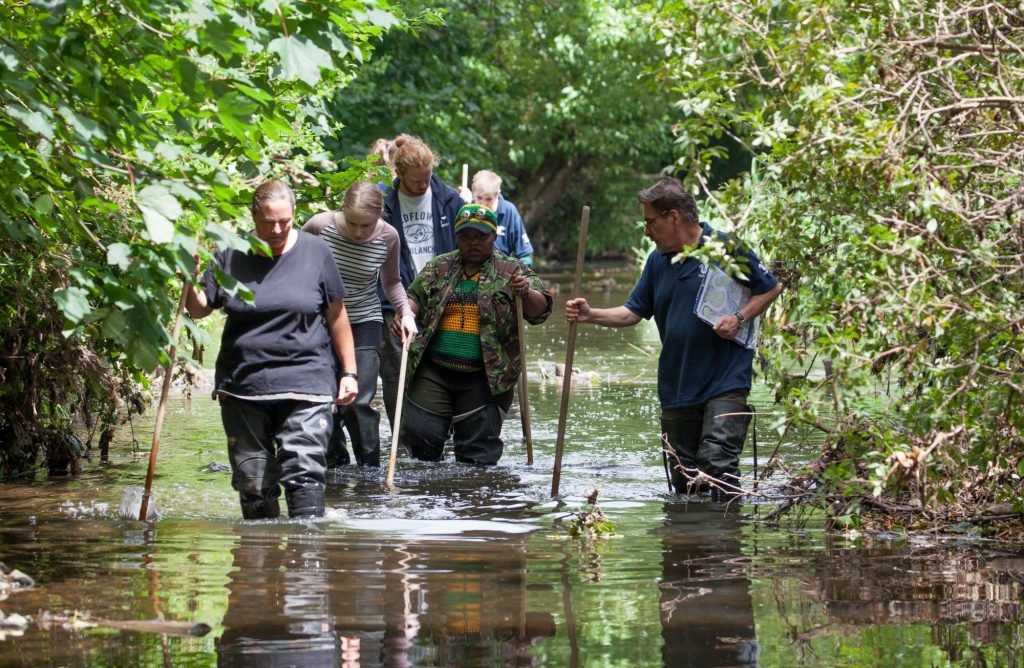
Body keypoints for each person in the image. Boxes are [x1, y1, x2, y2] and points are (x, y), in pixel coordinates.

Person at [566, 176, 781, 499]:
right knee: (684, 482)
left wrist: (739, 318)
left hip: (725, 381)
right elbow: (632, 312)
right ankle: (687, 545)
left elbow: (771, 287)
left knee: (717, 466)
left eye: (650, 222)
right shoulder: (656, 262)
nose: (646, 231)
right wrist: (590, 314)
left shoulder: (723, 249)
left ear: (673, 217)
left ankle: (726, 546)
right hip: (677, 386)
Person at [185, 179, 358, 519]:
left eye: (285, 221)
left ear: (294, 215)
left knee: (304, 474)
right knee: (253, 481)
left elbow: (337, 316)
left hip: (307, 383)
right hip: (244, 386)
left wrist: (349, 372)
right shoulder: (230, 254)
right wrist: (187, 277)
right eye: (268, 222)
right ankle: (258, 564)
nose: (277, 229)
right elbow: (199, 308)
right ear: (253, 217)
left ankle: (306, 560)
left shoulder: (316, 252)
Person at [396, 204, 552, 465]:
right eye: (466, 236)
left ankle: (475, 502)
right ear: (457, 237)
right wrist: (406, 315)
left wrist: (524, 293)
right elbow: (413, 297)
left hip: (486, 377)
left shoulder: (512, 271)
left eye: (481, 237)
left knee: (477, 456)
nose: (473, 243)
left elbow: (541, 311)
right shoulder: (440, 267)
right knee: (420, 442)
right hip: (434, 371)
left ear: (494, 237)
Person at [302, 182, 417, 468]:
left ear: (379, 217)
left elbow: (392, 282)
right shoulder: (319, 227)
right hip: (321, 322)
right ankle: (335, 465)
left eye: (365, 225)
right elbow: (293, 260)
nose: (357, 232)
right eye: (352, 223)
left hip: (365, 319)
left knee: (357, 400)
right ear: (342, 211)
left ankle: (369, 468)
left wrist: (406, 313)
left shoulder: (389, 237)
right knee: (323, 400)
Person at [379, 134, 464, 429]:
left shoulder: (450, 200)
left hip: (445, 300)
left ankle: (443, 438)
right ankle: (402, 441)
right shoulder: (383, 204)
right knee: (395, 373)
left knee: (446, 369)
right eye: (416, 180)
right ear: (398, 173)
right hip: (394, 299)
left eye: (428, 178)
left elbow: (469, 249)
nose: (423, 185)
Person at [470, 169, 534, 266]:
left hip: (500, 273)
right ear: (473, 192)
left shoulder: (509, 211)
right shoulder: (467, 209)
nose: (483, 204)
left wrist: (517, 270)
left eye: (488, 199)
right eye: (479, 198)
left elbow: (526, 255)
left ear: (497, 194)